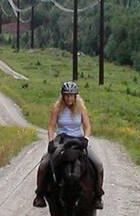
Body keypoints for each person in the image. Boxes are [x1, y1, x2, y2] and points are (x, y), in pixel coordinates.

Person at [34, 81, 103, 209]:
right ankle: (40, 195)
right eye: (66, 95)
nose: (69, 98)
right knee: (44, 164)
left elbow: (87, 126)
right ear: (62, 96)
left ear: (76, 96)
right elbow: (51, 126)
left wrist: (86, 138)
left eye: (71, 95)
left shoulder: (81, 109)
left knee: (98, 164)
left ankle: (98, 195)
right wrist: (50, 141)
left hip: (78, 140)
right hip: (62, 139)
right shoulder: (57, 108)